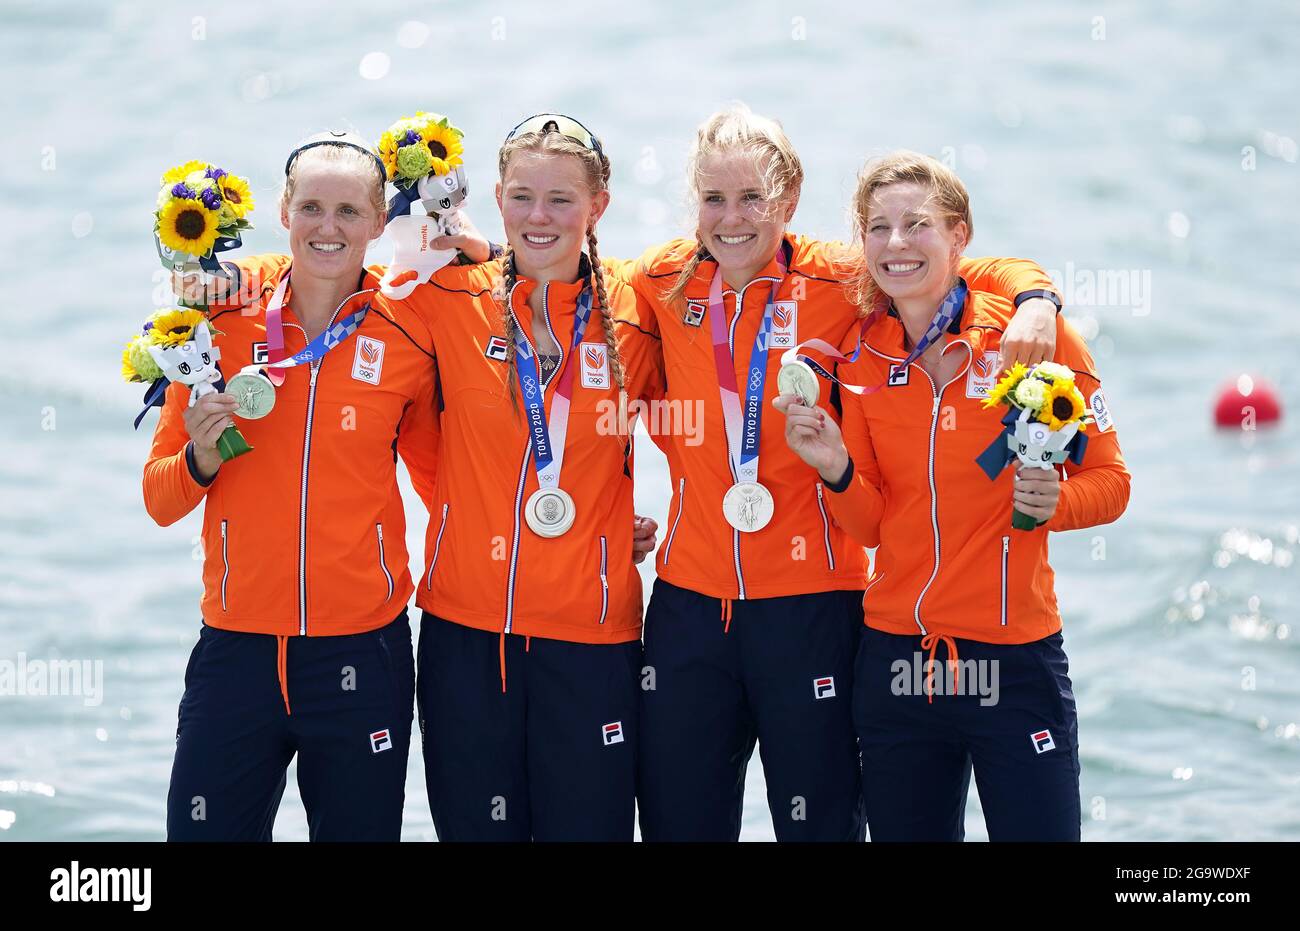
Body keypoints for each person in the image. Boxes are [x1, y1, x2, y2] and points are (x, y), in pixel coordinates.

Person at [618, 104, 1066, 841]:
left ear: (789, 197)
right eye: (713, 198)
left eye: (752, 198)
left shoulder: (841, 278)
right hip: (690, 607)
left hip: (814, 608)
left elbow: (955, 260)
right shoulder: (663, 279)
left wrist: (1038, 294)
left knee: (822, 825)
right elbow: (563, 276)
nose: (731, 219)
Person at [774, 151, 1130, 841]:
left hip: (1012, 659)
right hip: (898, 662)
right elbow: (874, 527)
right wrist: (837, 470)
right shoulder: (864, 356)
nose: (896, 243)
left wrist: (1057, 502)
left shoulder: (1032, 339)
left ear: (959, 236)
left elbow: (1112, 484)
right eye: (878, 227)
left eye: (918, 224)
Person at [144, 131, 440, 841]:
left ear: (378, 221)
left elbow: (449, 485)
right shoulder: (215, 321)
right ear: (283, 211)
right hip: (236, 655)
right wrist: (203, 458)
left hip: (360, 655)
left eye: (347, 211)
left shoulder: (409, 332)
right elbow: (160, 498)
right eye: (311, 206)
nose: (327, 227)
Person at [402, 114, 665, 841]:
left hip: (592, 640)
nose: (538, 217)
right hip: (464, 635)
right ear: (494, 197)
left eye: (560, 200)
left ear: (599, 205)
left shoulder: (641, 310)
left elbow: (706, 429)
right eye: (521, 197)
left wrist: (622, 526)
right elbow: (329, 275)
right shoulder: (448, 297)